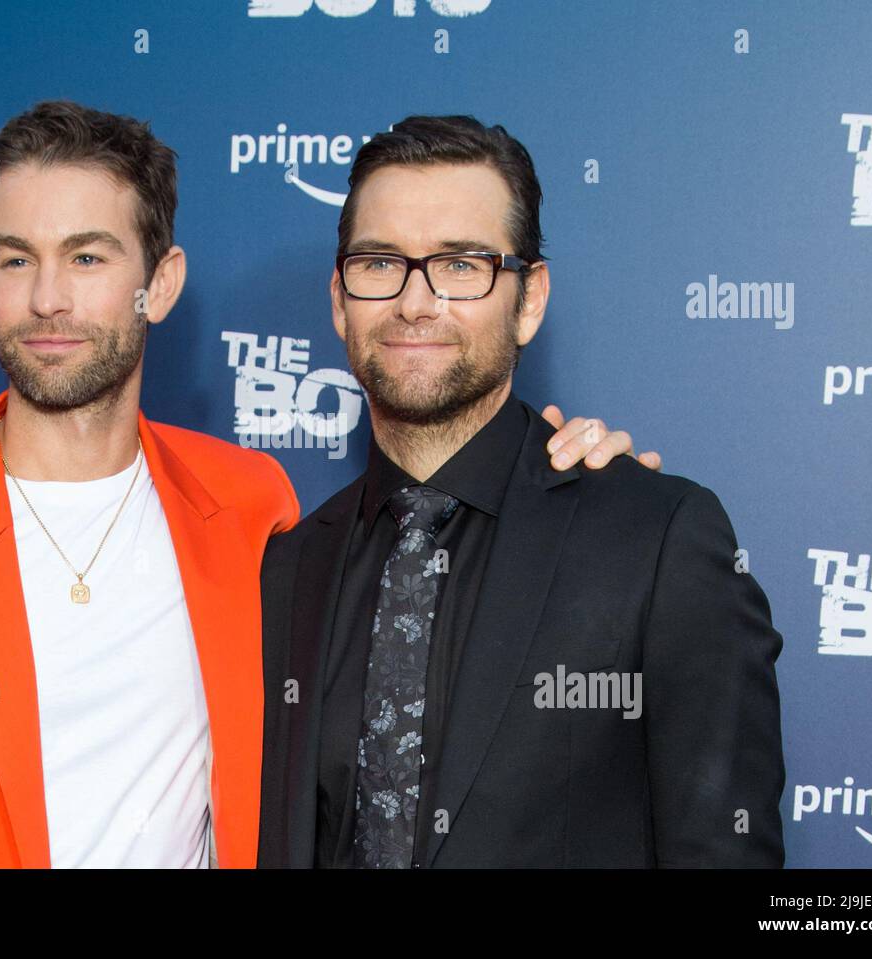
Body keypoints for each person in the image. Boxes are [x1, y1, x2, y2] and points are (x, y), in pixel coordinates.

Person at [0, 101, 649, 869]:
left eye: (88, 257)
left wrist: (567, 482)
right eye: (16, 258)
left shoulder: (252, 506)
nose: (49, 298)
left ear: (159, 284)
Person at [257, 115, 785, 868]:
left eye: (462, 264)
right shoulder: (287, 569)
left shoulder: (655, 541)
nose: (415, 301)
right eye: (380, 264)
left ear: (529, 299)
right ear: (341, 299)